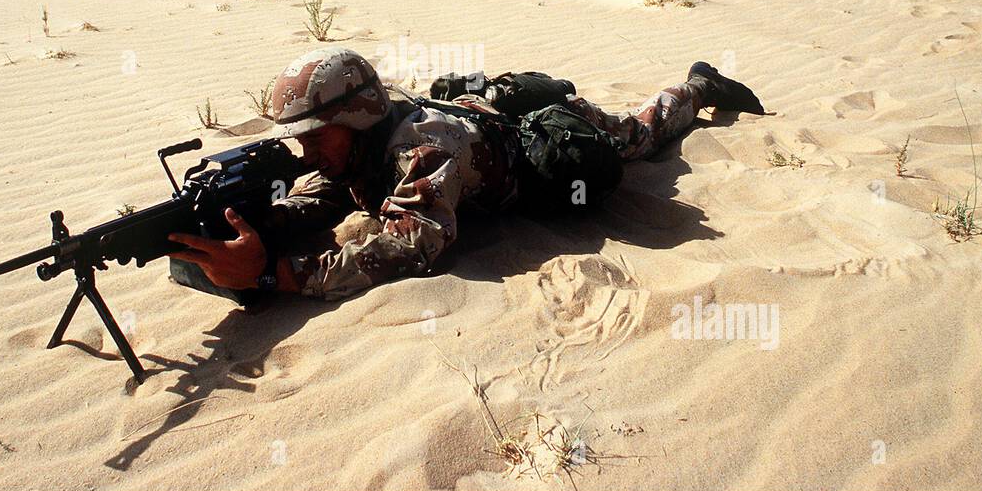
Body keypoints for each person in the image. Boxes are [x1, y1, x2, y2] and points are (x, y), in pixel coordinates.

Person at [167, 47, 764, 300]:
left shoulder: (422, 148)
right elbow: (332, 192)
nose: (304, 153)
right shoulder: (353, 145)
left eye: (314, 136)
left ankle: (696, 86)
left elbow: (416, 244)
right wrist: (252, 226)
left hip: (538, 136)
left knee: (636, 139)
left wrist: (277, 275)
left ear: (354, 118)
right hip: (484, 117)